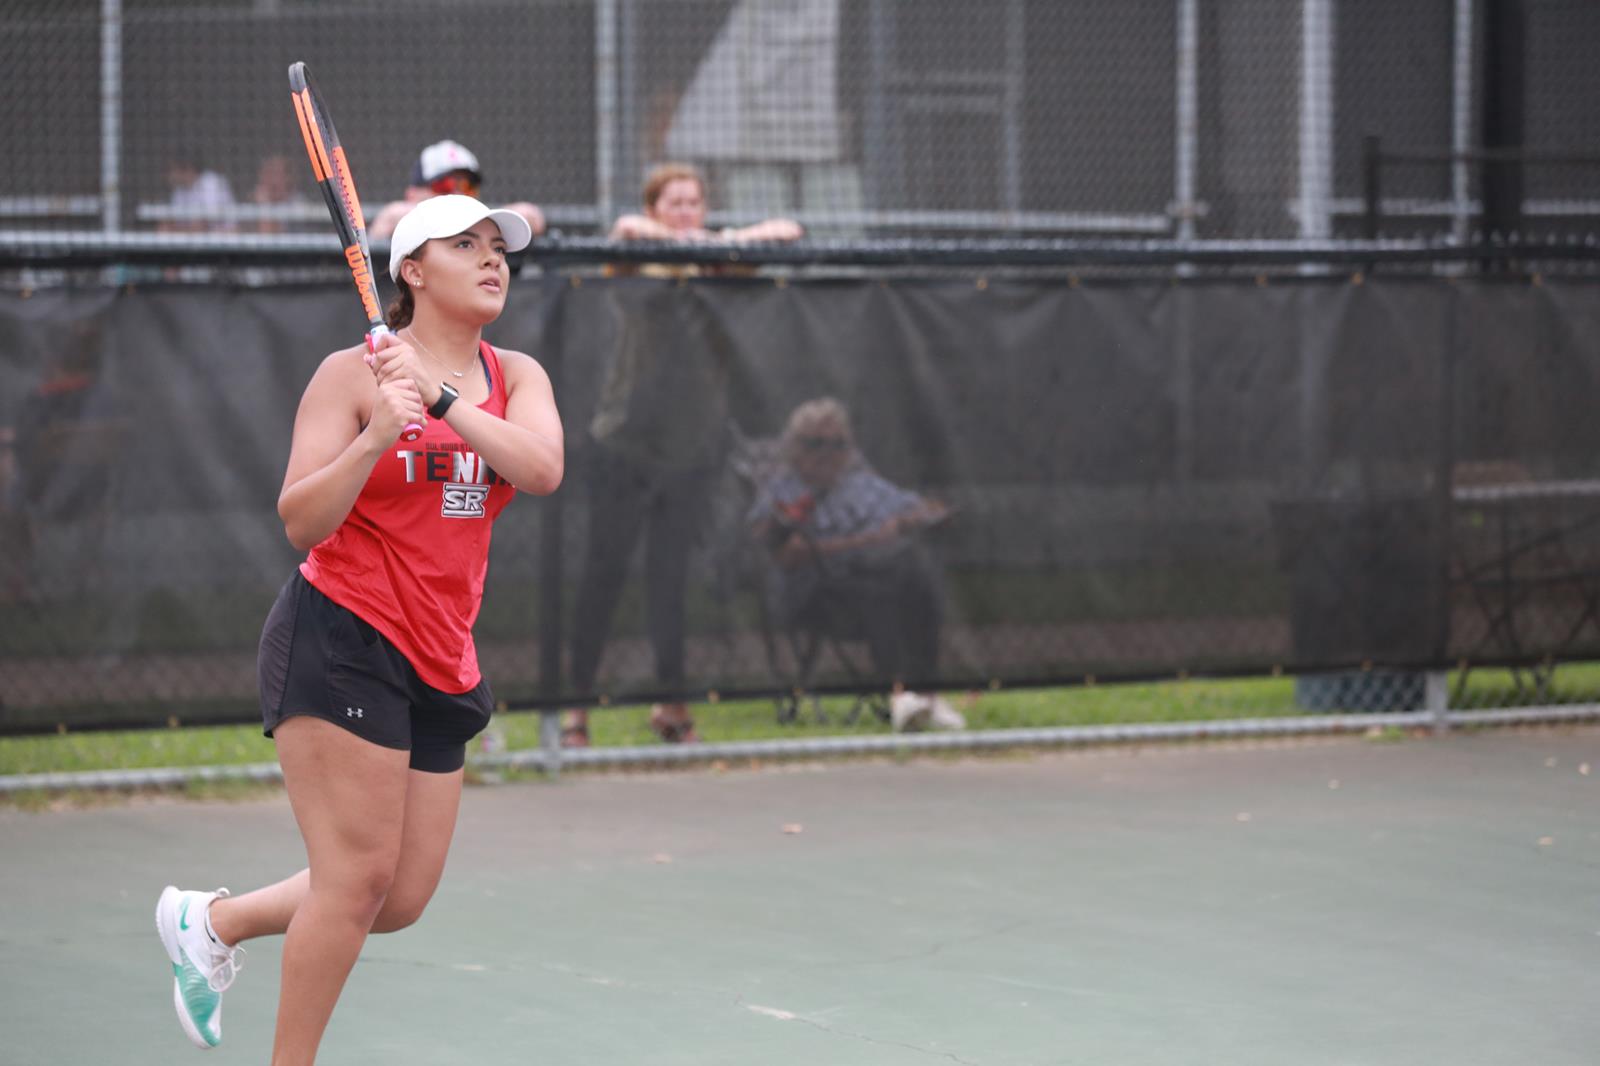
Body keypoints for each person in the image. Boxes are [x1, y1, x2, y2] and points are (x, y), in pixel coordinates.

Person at [152, 194, 562, 1062]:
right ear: (411, 271)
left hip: (443, 650)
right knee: (355, 880)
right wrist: (377, 434)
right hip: (342, 632)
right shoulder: (349, 375)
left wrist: (441, 401)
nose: (493, 259)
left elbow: (541, 466)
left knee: (399, 896)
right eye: (465, 245)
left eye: (499, 247)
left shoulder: (516, 374)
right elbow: (300, 519)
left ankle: (211, 921)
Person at [561, 162, 801, 747]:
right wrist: (670, 236)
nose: (686, 211)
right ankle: (573, 715)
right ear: (654, 209)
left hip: (692, 450)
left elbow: (788, 231)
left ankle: (672, 709)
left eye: (695, 202)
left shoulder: (718, 261)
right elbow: (621, 229)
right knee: (603, 577)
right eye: (674, 203)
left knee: (671, 580)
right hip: (623, 442)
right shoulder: (636, 256)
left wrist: (715, 241)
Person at [747, 397, 963, 733]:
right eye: (815, 444)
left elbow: (926, 507)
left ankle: (924, 695)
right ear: (794, 449)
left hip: (884, 577)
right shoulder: (782, 491)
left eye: (838, 445)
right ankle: (900, 692)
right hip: (818, 596)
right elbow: (785, 554)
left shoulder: (864, 485)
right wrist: (870, 541)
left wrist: (916, 520)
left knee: (915, 574)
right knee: (885, 583)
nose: (827, 454)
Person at [368, 140, 545, 241]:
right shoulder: (398, 219)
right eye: (444, 186)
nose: (457, 194)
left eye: (467, 188)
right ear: (412, 195)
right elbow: (390, 218)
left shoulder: (485, 230)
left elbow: (532, 216)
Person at [162, 150, 236, 232]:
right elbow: (171, 221)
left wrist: (174, 231)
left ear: (188, 169)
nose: (169, 175)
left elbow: (202, 225)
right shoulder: (179, 190)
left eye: (172, 170)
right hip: (191, 238)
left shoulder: (211, 182)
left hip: (221, 239)